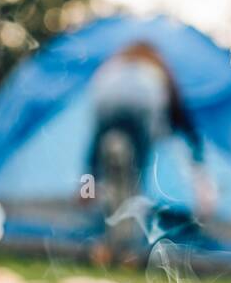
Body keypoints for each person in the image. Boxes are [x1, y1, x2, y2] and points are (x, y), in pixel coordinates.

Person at [86, 43, 214, 261]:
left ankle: (105, 244)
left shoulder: (112, 67)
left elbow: (95, 133)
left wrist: (87, 174)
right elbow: (182, 120)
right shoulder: (158, 71)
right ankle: (130, 250)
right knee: (136, 182)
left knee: (108, 178)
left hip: (105, 104)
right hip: (144, 108)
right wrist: (200, 170)